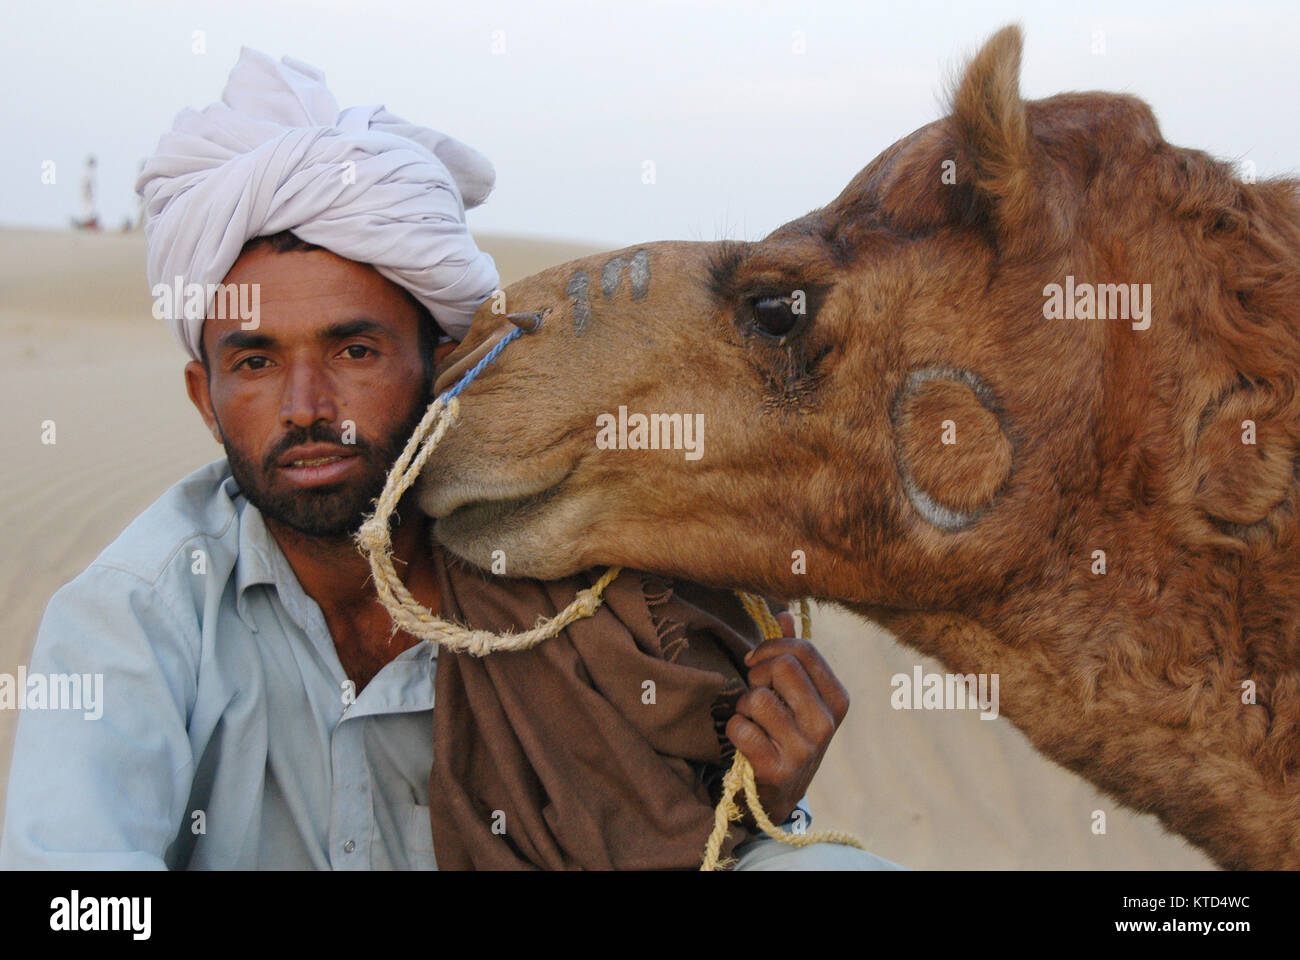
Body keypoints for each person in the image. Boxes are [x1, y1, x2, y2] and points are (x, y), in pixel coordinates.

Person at [0, 49, 902, 871]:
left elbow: (672, 827)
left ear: (439, 368)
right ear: (205, 399)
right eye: (256, 361)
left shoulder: (562, 579)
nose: (306, 407)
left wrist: (756, 798)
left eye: (353, 351)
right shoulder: (138, 615)